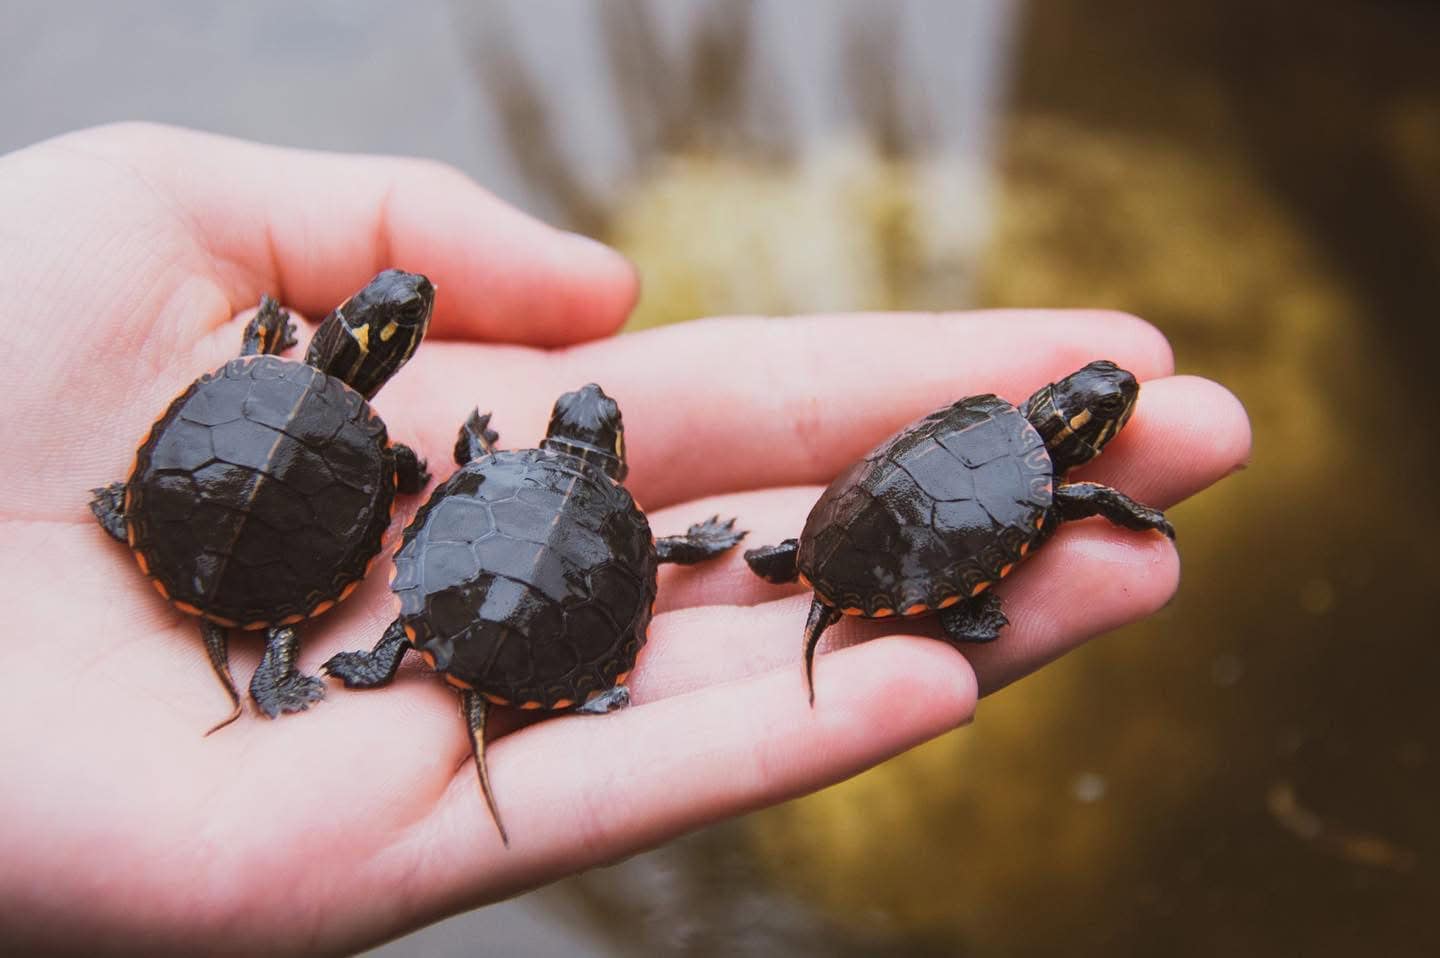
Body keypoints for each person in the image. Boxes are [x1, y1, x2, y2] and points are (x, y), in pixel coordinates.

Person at [0, 124, 1249, 955]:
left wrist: (465, 464)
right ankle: (299, 650)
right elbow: (532, 521)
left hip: (239, 517)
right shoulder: (548, 500)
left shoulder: (304, 381)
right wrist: (674, 555)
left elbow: (435, 488)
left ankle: (328, 650)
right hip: (534, 557)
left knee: (396, 608)